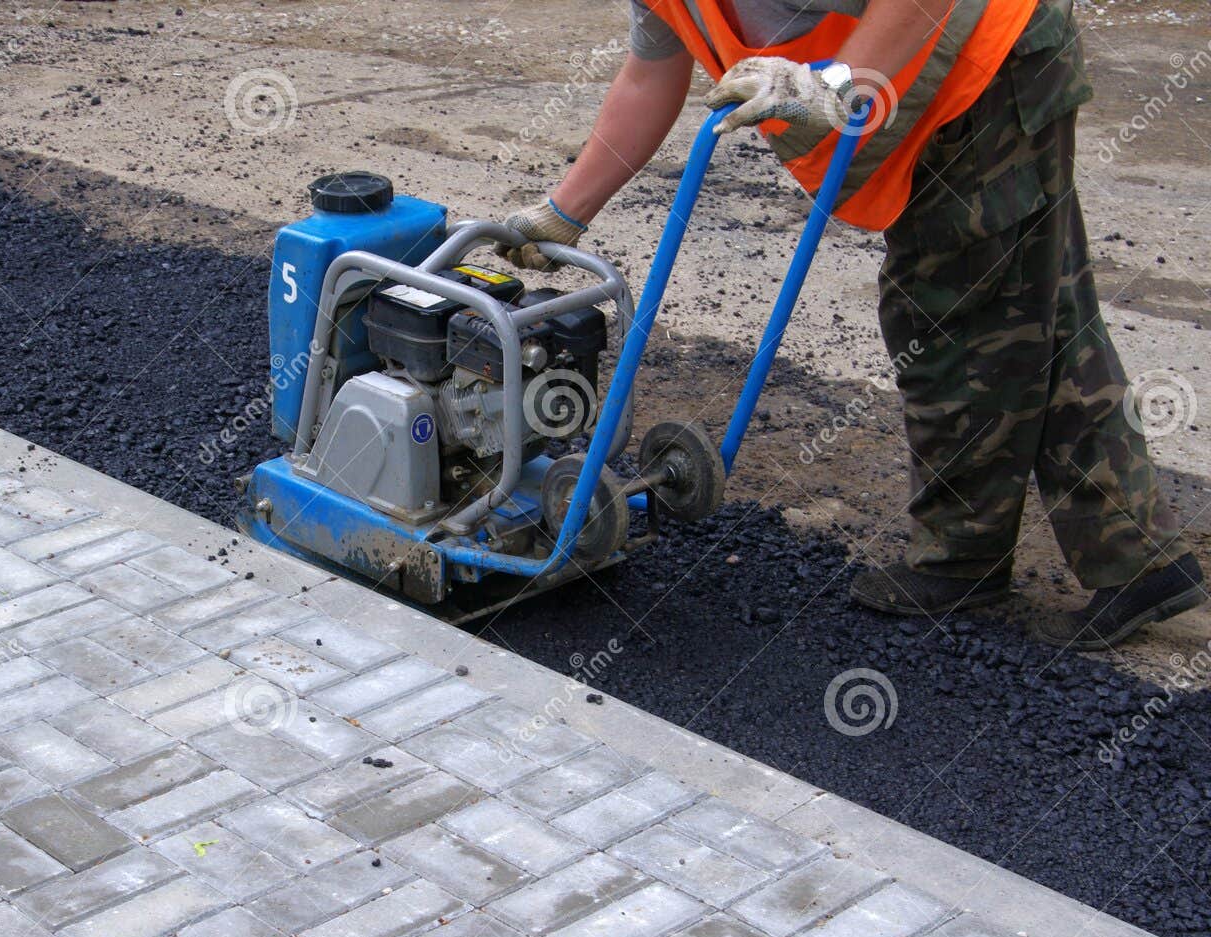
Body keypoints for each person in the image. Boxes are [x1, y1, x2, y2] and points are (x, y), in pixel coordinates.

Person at [499, 0, 1204, 651]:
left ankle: (962, 562)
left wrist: (832, 81)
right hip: (945, 85)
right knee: (1033, 307)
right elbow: (650, 76)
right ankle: (1136, 558)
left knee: (948, 318)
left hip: (986, 72)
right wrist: (564, 212)